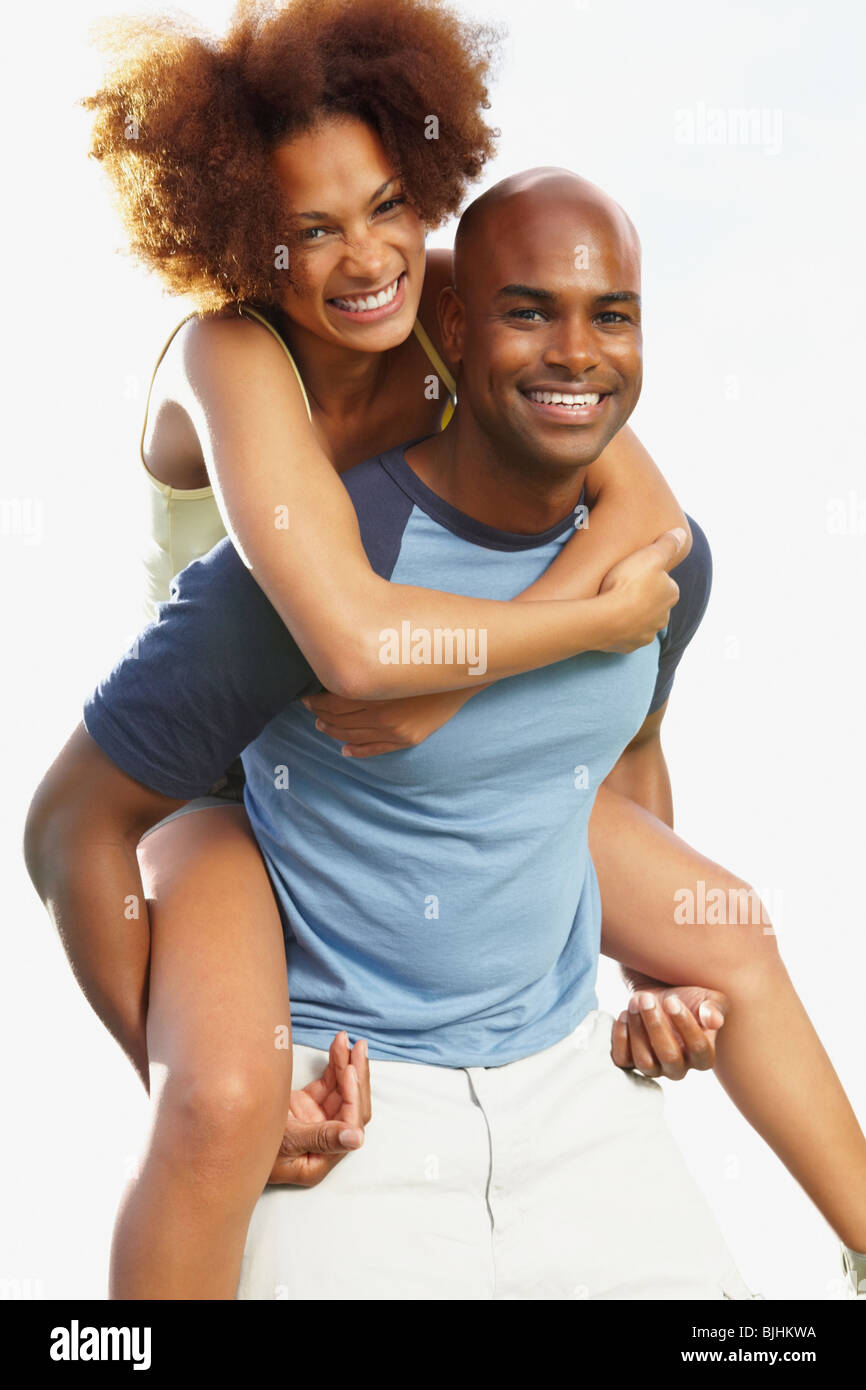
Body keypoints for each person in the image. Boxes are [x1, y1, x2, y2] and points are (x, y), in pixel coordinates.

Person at [26, 166, 866, 1299]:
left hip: (385, 703)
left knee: (731, 934)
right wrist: (155, 1060)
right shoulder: (228, 355)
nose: (366, 256)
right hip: (220, 763)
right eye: (310, 228)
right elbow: (358, 651)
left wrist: (637, 969)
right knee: (219, 1103)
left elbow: (646, 516)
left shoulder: (443, 306)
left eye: (387, 208)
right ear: (241, 239)